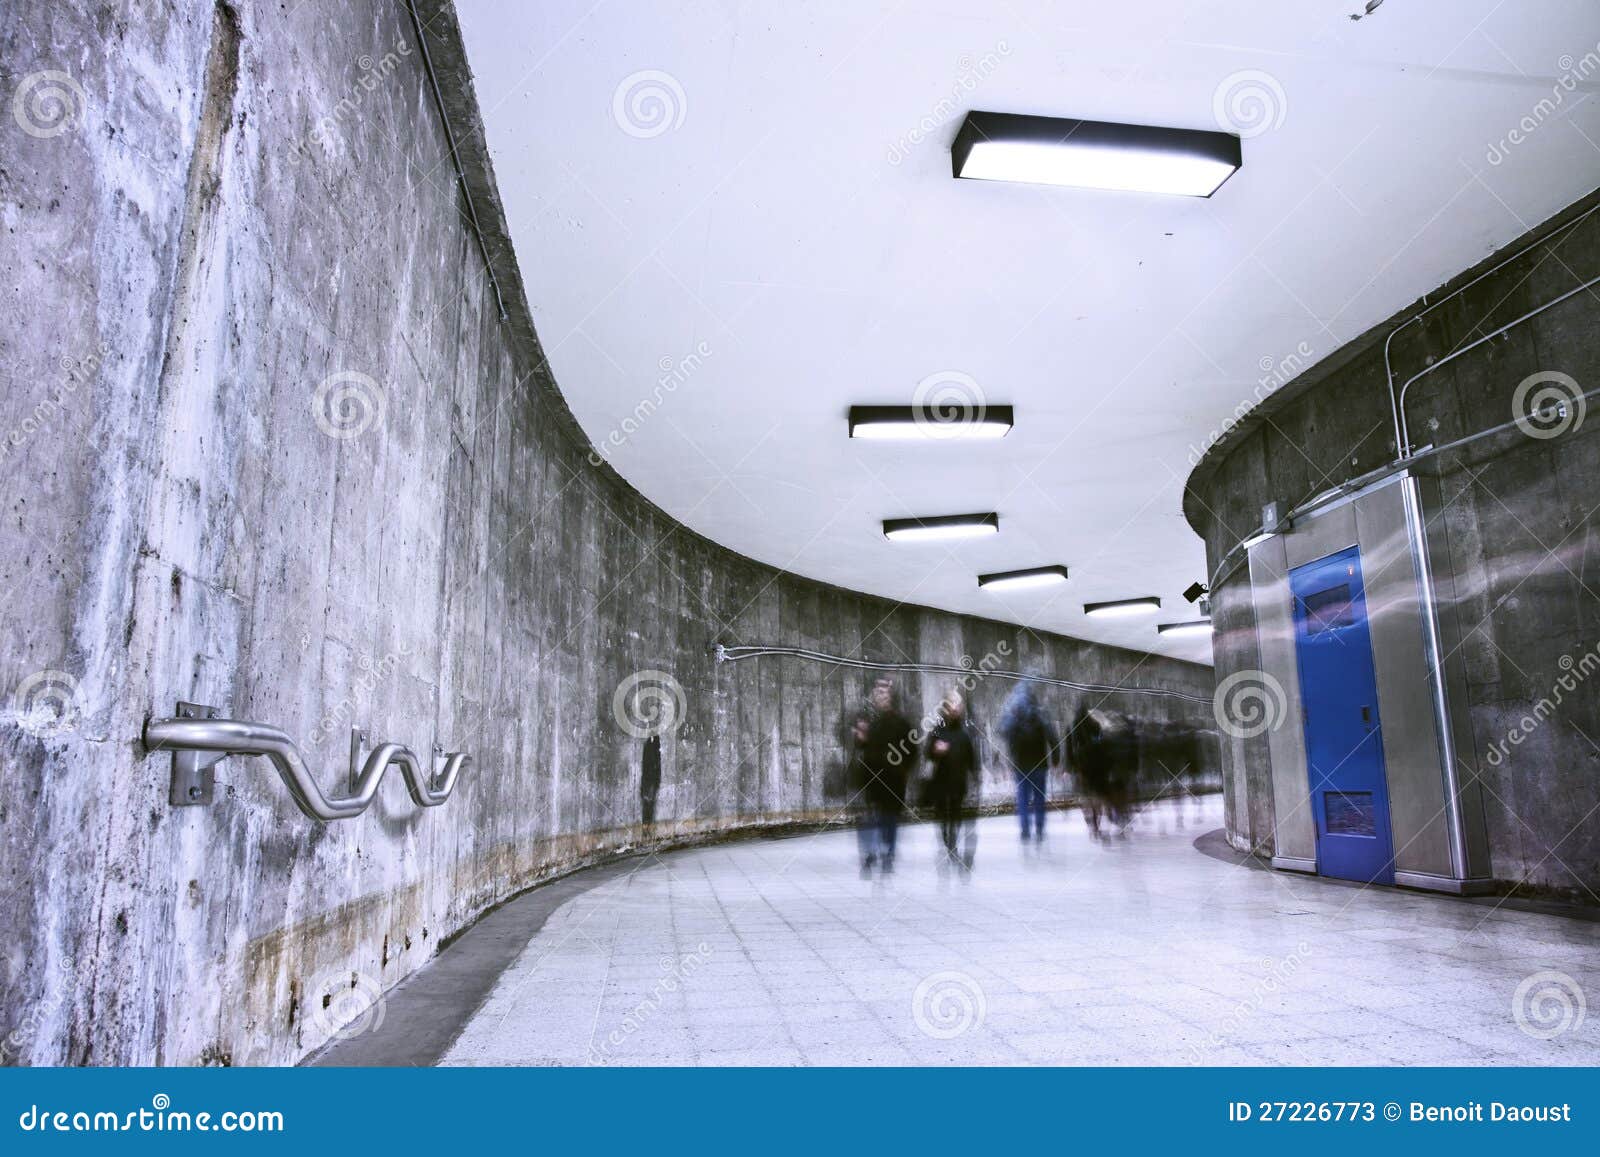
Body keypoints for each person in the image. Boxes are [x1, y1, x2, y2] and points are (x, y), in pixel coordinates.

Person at [851, 678, 915, 875]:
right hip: (872, 777)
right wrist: (861, 739)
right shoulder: (870, 722)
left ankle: (888, 853)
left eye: (884, 694)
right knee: (870, 817)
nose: (881, 697)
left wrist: (904, 769)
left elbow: (912, 749)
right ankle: (871, 854)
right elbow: (865, 748)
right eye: (878, 694)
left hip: (893, 779)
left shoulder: (901, 723)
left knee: (889, 818)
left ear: (891, 698)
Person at [924, 688, 978, 873]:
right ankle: (947, 841)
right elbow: (927, 753)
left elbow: (971, 757)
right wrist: (935, 750)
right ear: (946, 707)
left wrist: (975, 775)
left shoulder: (964, 732)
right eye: (952, 703)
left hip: (958, 780)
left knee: (955, 814)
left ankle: (952, 844)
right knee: (942, 815)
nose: (956, 707)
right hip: (941, 780)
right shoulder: (937, 729)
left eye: (958, 704)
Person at [998, 681, 1057, 842]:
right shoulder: (1040, 714)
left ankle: (1025, 829)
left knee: (1022, 798)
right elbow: (1053, 738)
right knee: (1039, 797)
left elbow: (1002, 731)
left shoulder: (1014, 716)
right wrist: (1056, 759)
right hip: (1040, 764)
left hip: (1020, 765)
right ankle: (1039, 828)